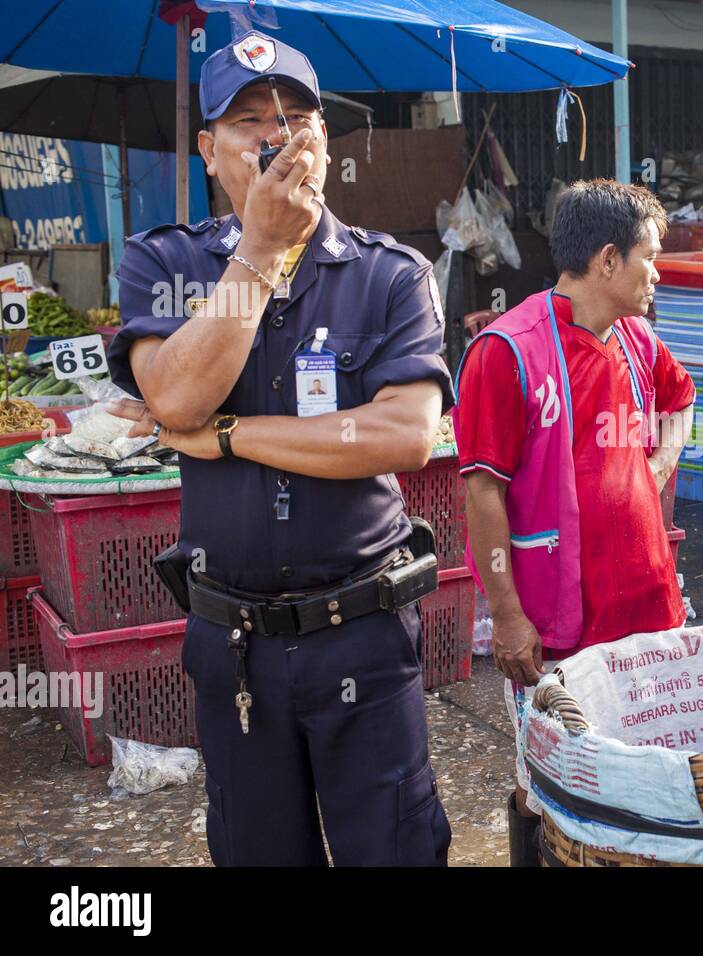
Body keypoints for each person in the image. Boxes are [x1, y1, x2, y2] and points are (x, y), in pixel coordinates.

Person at [105, 34, 453, 866]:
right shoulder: (166, 262)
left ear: (324, 142)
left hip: (363, 635)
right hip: (235, 647)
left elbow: (403, 435)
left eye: (297, 118)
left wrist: (228, 436)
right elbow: (177, 396)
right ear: (208, 150)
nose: (277, 137)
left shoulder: (392, 275)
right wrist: (258, 252)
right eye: (250, 120)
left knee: (396, 850)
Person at [453, 179, 696, 865]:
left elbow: (680, 402)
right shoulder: (508, 351)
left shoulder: (639, 341)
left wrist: (656, 464)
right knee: (548, 781)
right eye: (651, 255)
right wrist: (505, 615)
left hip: (648, 603)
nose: (659, 272)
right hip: (558, 621)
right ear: (609, 260)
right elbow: (482, 494)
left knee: (642, 773)